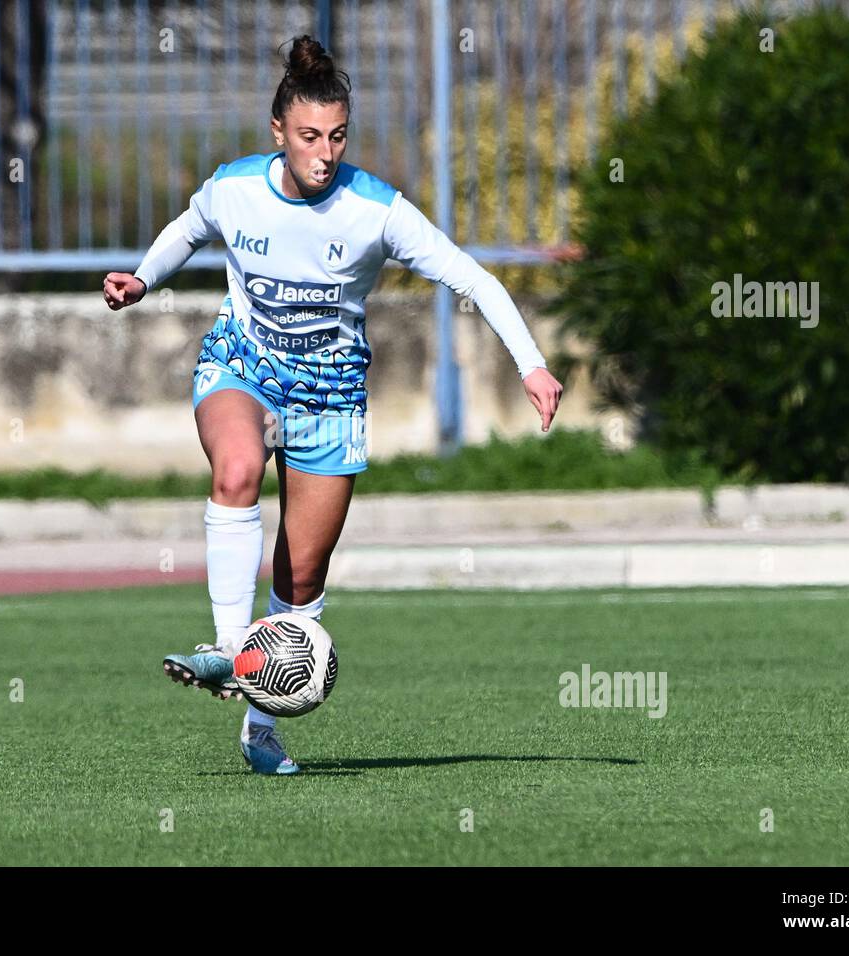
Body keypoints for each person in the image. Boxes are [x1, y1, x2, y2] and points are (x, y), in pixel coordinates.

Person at [103, 35, 562, 775]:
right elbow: (189, 230)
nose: (325, 152)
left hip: (332, 396)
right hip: (242, 367)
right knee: (238, 468)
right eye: (310, 136)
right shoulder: (236, 188)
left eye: (337, 136)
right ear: (279, 132)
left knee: (301, 582)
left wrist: (533, 366)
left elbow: (472, 278)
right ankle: (226, 647)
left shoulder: (376, 210)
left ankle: (259, 728)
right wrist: (143, 279)